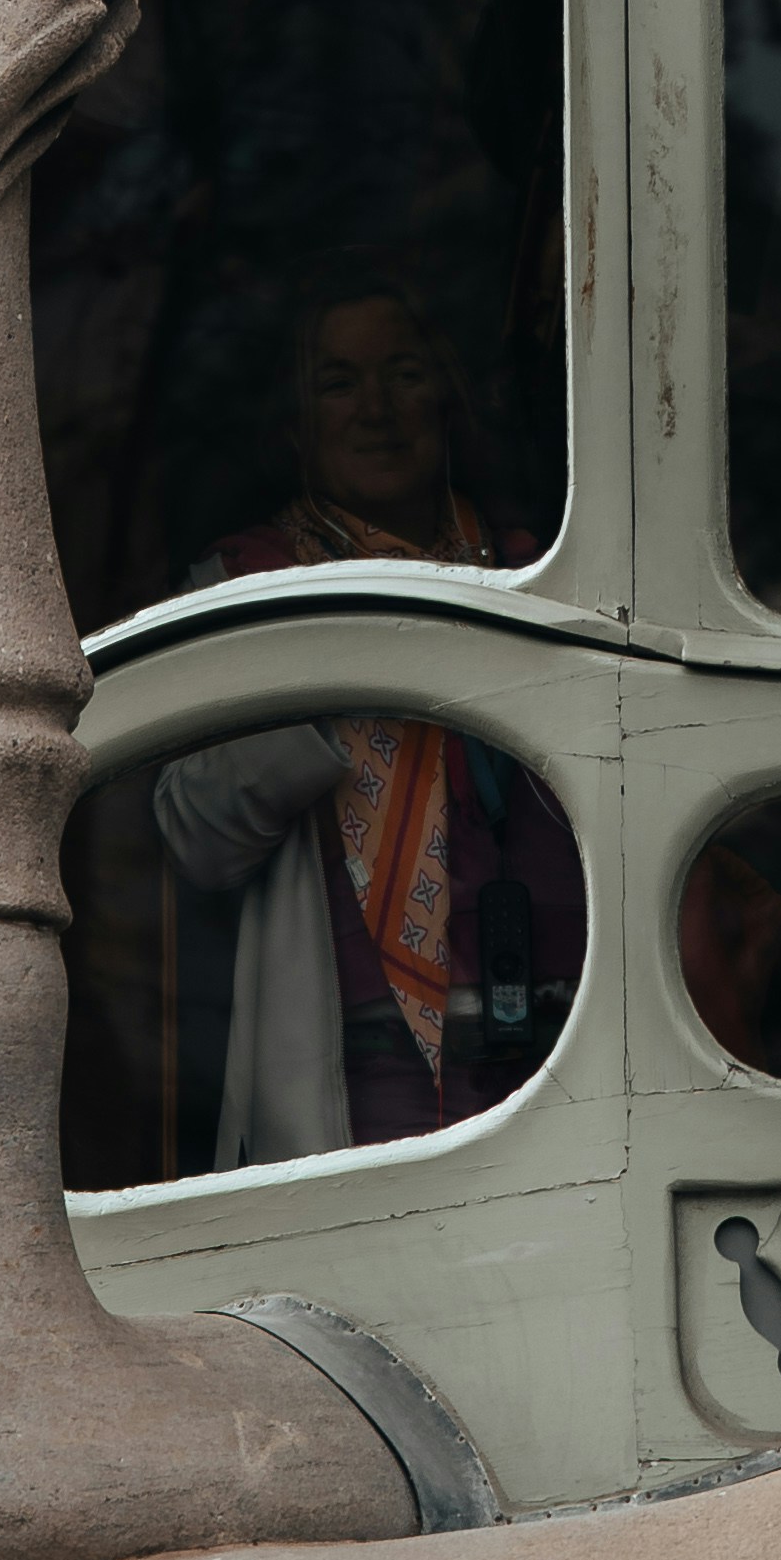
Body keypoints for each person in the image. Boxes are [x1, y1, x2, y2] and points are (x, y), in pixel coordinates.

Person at [152, 292, 584, 1163]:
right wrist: (324, 662)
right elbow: (196, 841)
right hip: (356, 1080)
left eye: (405, 374)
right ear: (297, 424)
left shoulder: (538, 568)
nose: (377, 410)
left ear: (446, 401)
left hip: (556, 1062)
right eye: (340, 384)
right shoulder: (251, 584)